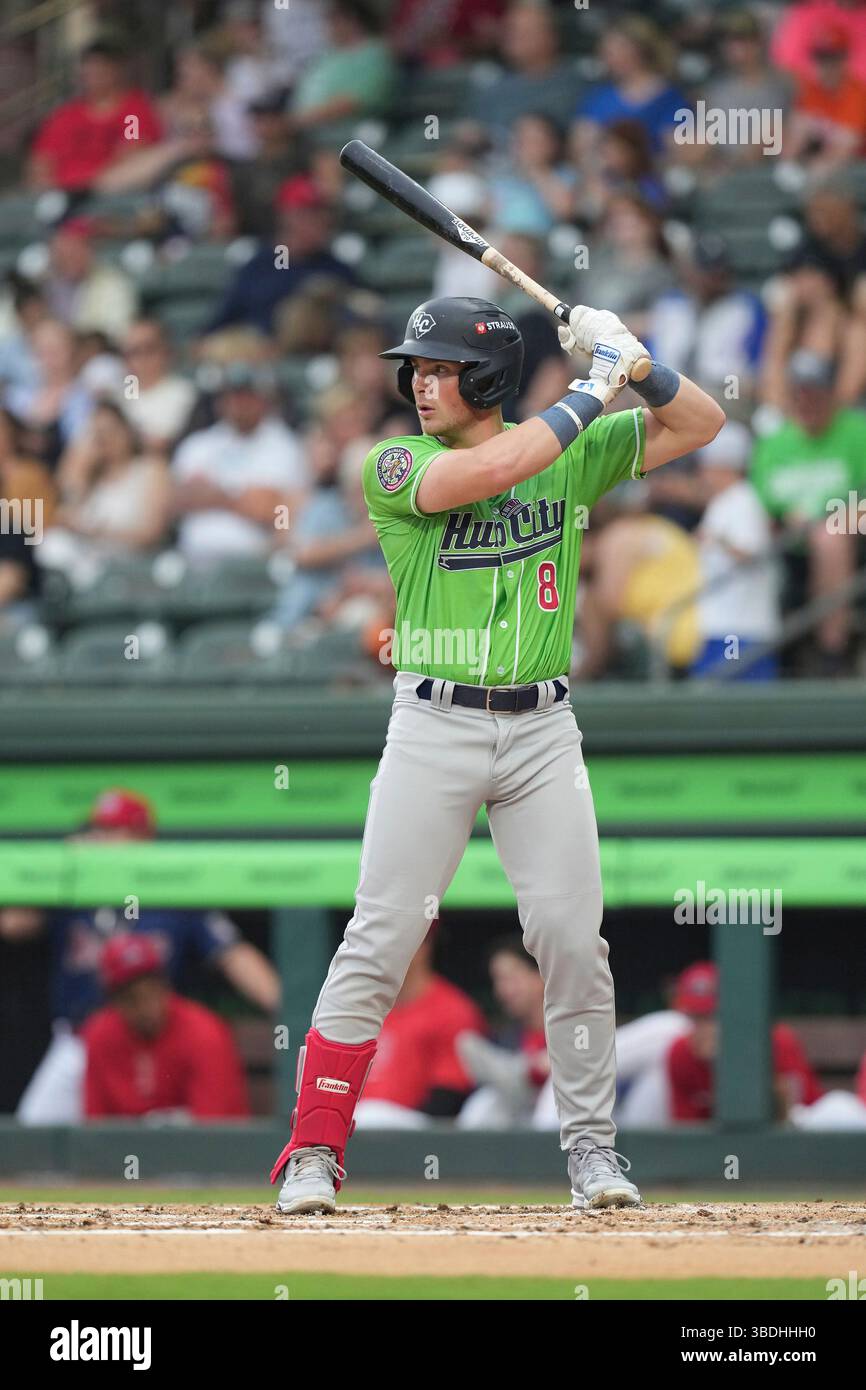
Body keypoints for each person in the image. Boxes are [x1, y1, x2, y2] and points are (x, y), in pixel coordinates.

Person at [267, 292, 724, 1214]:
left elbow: (703, 421)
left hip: (543, 729)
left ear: (485, 377)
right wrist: (598, 384)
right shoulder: (397, 462)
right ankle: (314, 1152)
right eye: (418, 369)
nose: (422, 384)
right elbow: (503, 466)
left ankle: (594, 1152)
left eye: (439, 369)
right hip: (434, 722)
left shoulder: (573, 449)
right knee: (382, 936)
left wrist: (639, 365)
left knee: (570, 941)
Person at [1, 787, 280, 1125]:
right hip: (79, 1040)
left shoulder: (171, 891)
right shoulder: (73, 884)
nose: (102, 840)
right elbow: (13, 924)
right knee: (33, 1137)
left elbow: (233, 954)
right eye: (97, 830)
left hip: (154, 1038)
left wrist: (290, 1008)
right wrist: (62, 868)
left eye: (114, 831)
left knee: (165, 1135)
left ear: (143, 838)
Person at [750, 350, 866, 673]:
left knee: (829, 535)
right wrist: (787, 519)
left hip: (850, 534)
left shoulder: (857, 431)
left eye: (814, 392)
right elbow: (762, 503)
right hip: (789, 542)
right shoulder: (775, 443)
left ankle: (832, 651)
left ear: (830, 393)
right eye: (798, 392)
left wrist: (838, 516)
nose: (806, 400)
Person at [83, 934, 250, 1120]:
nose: (146, 1006)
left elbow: (212, 1130)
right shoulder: (100, 1034)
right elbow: (95, 1128)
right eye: (131, 998)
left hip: (199, 1147)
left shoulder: (204, 1033)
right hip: (126, 1149)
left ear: (166, 984)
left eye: (152, 990)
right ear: (114, 1001)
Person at [353, 922, 486, 1128]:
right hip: (359, 1124)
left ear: (423, 946)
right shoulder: (363, 1004)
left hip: (418, 1129)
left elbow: (449, 1095)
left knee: (369, 1116)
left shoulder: (452, 1009)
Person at [171, 361, 307, 562]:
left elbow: (274, 511)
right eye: (232, 396)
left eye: (247, 396)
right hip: (193, 561)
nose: (239, 404)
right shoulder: (198, 444)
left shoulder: (285, 446)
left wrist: (213, 495)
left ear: (264, 399)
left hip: (255, 562)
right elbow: (175, 500)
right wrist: (241, 498)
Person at [666, 962, 823, 1122]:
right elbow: (685, 1129)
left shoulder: (777, 1041)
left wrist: (733, 1060)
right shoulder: (681, 1053)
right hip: (719, 1146)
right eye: (694, 1016)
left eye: (712, 1015)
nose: (703, 1026)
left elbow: (805, 1113)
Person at [205, 175, 353, 337]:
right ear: (286, 217)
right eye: (308, 213)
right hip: (260, 348)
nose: (321, 221)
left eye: (323, 213)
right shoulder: (265, 263)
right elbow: (227, 316)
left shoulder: (334, 267)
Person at [691, 420, 781, 681]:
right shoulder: (722, 501)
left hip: (744, 629)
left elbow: (750, 551)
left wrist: (716, 539)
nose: (703, 472)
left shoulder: (744, 500)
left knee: (749, 715)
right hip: (718, 624)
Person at [40, 400, 171, 577]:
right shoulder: (90, 478)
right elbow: (65, 516)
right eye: (99, 435)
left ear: (127, 431)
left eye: (112, 431)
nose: (107, 440)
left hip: (135, 561)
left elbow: (152, 533)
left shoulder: (151, 468)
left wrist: (97, 532)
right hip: (90, 560)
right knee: (52, 544)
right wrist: (81, 471)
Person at [27, 37, 163, 192]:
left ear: (117, 71)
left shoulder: (132, 113)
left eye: (100, 70)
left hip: (112, 193)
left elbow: (134, 153)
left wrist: (93, 182)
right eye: (88, 71)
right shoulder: (65, 116)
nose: (93, 76)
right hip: (63, 196)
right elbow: (42, 162)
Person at [456, 935, 550, 1129]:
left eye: (512, 978)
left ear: (541, 975)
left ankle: (520, 1074)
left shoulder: (574, 1026)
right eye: (498, 981)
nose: (503, 989)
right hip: (519, 1117)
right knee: (485, 1103)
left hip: (568, 1122)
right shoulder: (507, 1039)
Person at [116, 319, 197, 454]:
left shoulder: (183, 392)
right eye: (133, 351)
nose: (141, 358)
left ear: (167, 351)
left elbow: (160, 444)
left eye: (149, 349)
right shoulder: (126, 389)